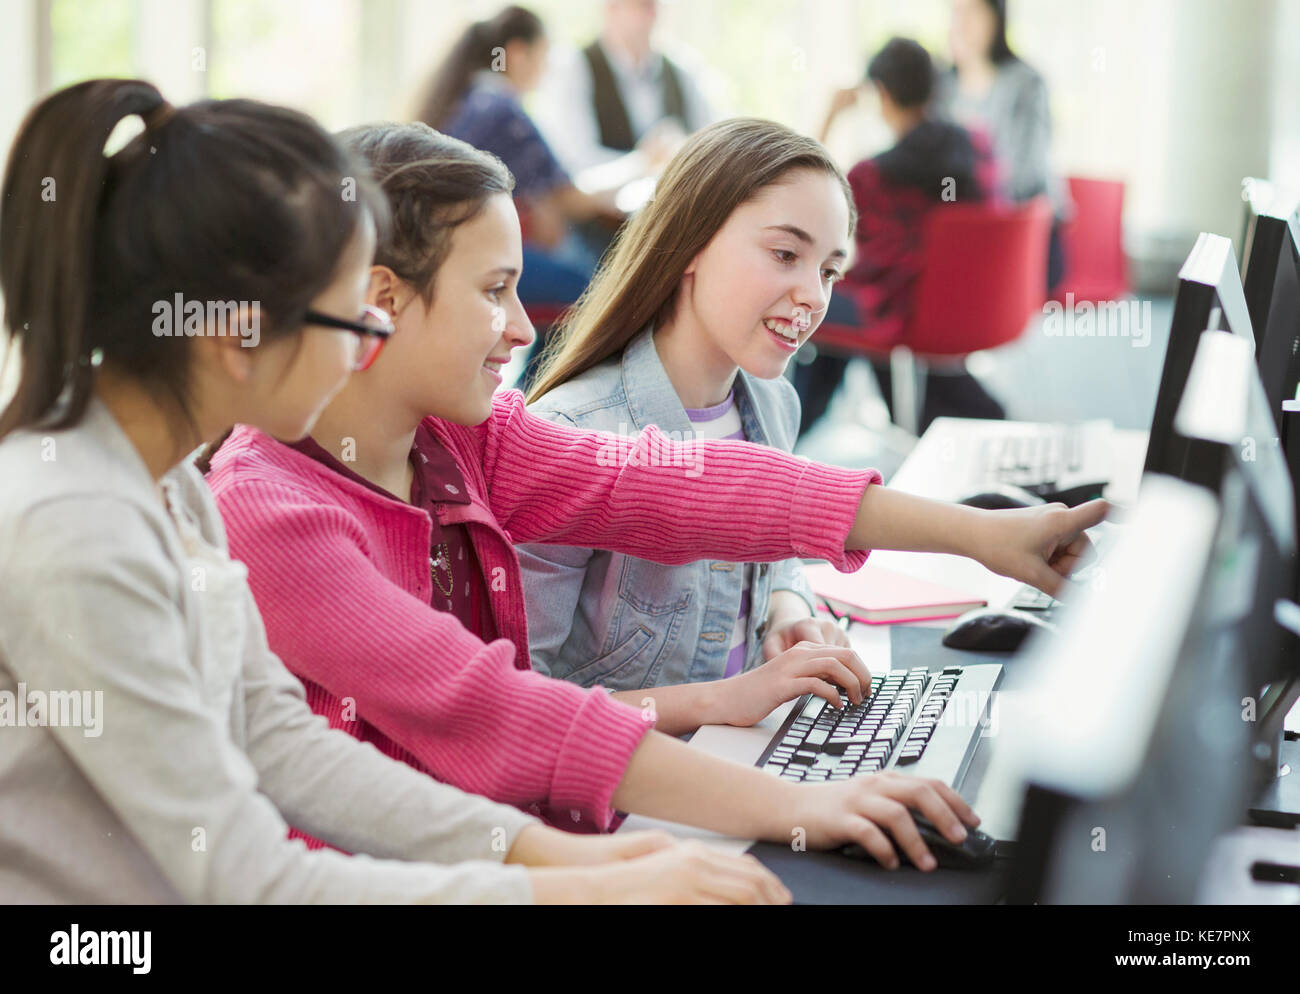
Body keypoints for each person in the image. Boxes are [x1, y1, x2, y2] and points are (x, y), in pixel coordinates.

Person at [204, 120, 1106, 872]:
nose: (524, 329)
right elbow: (500, 710)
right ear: (383, 303)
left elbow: (684, 486)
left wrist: (984, 536)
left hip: (530, 846)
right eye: (496, 291)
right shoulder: (273, 512)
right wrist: (806, 803)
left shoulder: (463, 438)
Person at [0, 78, 792, 905]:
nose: (361, 350)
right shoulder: (75, 528)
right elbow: (248, 878)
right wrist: (572, 889)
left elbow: (282, 744)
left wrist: (572, 861)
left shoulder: (166, 487)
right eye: (349, 319)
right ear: (240, 337)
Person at [517, 120, 859, 722]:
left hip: (744, 752)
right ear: (692, 241)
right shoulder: (571, 431)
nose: (814, 295)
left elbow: (771, 548)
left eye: (829, 270)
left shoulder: (773, 404)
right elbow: (522, 709)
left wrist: (786, 606)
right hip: (629, 799)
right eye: (786, 255)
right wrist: (723, 701)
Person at [798, 37, 1003, 437]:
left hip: (904, 312)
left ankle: (787, 429)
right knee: (846, 302)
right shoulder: (978, 147)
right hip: (971, 304)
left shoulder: (873, 175)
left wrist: (830, 116)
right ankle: (909, 414)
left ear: (882, 94)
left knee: (812, 300)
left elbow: (803, 200)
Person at [418, 5, 621, 272]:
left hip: (448, 249)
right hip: (473, 255)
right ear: (517, 53)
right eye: (544, 54)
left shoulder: (472, 99)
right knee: (591, 282)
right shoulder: (504, 111)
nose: (546, 68)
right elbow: (571, 200)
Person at [935, 0, 1069, 289]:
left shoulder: (1027, 83)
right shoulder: (943, 85)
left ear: (996, 18)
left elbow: (1025, 172)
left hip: (1025, 235)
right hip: (965, 231)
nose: (961, 23)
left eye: (972, 12)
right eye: (955, 13)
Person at [533, 0, 715, 177]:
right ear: (611, 8)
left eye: (660, 4)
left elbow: (712, 144)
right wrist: (642, 163)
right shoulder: (573, 68)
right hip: (601, 206)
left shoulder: (684, 70)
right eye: (643, 5)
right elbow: (575, 161)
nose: (654, 13)